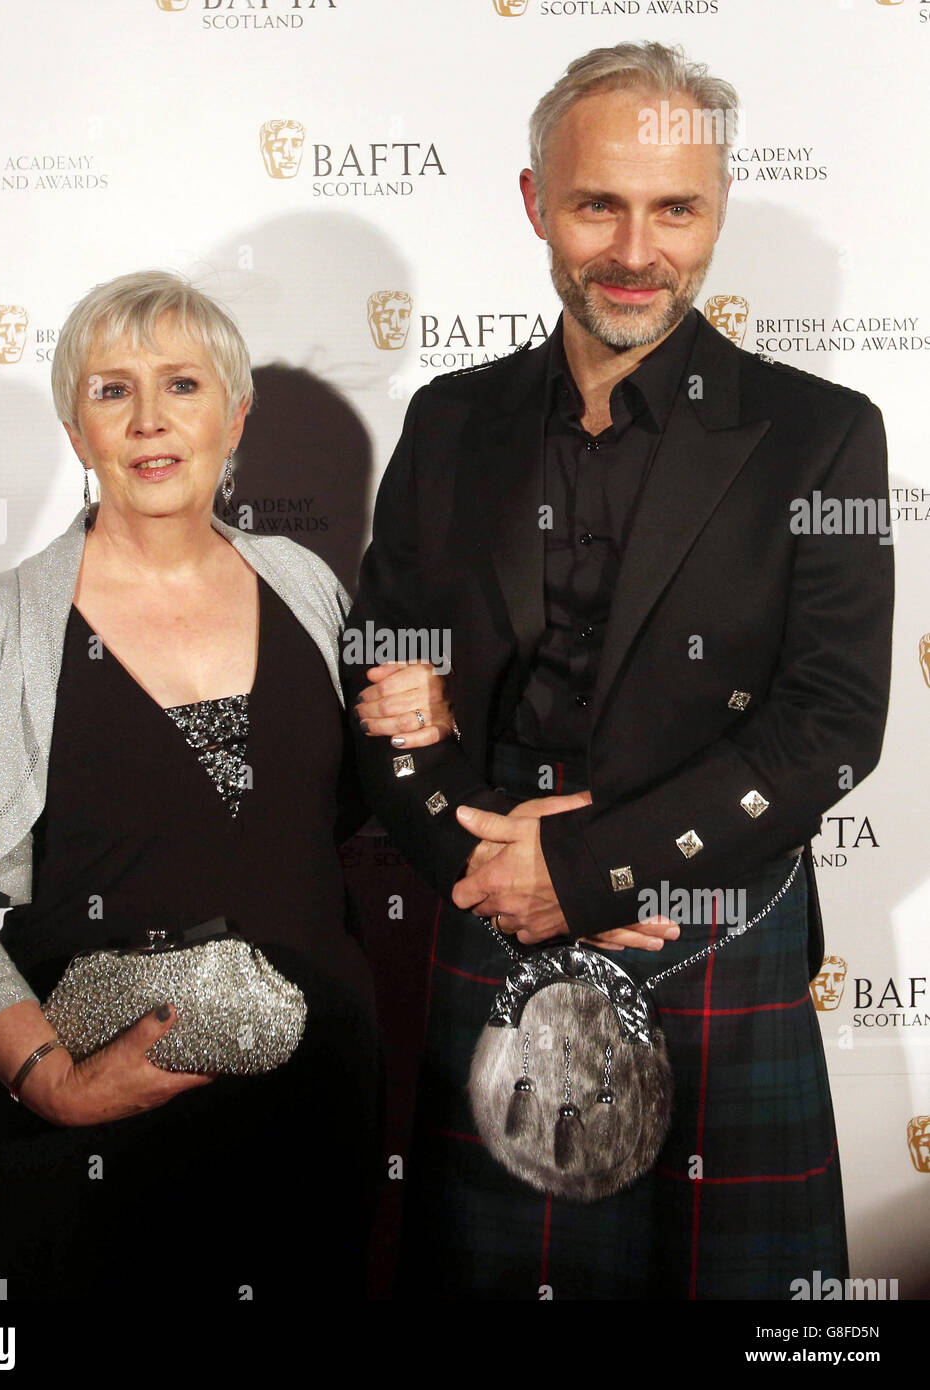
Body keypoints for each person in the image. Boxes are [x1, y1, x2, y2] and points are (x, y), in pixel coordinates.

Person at [344, 41, 892, 1299]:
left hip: (716, 929)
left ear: (716, 211)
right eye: (598, 203)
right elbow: (384, 659)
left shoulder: (822, 436)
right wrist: (483, 868)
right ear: (536, 202)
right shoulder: (446, 422)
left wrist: (588, 868)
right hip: (492, 916)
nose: (636, 250)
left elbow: (829, 725)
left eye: (675, 208)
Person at [0, 269, 453, 1300]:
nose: (149, 419)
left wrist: (429, 728)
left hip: (311, 1106)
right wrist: (49, 1080)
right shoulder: (2, 622)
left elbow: (344, 802)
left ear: (233, 414)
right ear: (75, 431)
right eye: (111, 391)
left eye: (182, 384)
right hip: (93, 1134)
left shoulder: (307, 584)